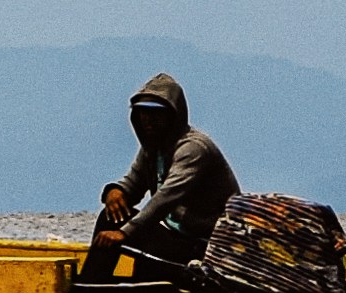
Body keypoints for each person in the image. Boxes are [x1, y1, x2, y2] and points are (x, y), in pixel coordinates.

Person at [88, 72, 239, 277]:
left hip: (203, 245)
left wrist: (124, 233)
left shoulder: (193, 148)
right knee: (111, 217)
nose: (148, 120)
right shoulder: (152, 149)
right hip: (175, 236)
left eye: (156, 113)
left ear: (172, 116)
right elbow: (133, 184)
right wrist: (114, 192)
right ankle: (90, 290)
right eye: (143, 113)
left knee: (121, 229)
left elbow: (164, 199)